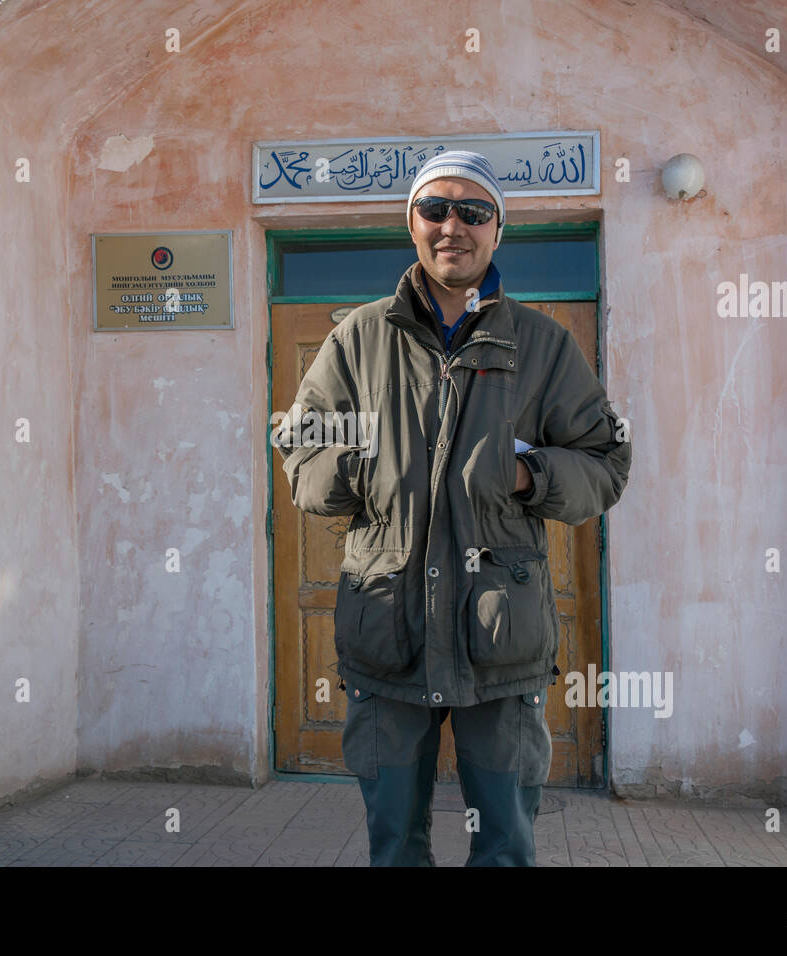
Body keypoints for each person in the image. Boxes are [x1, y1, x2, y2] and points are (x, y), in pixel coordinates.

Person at [275, 150, 632, 865]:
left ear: (498, 231)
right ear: (410, 223)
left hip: (499, 643)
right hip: (385, 635)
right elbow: (301, 455)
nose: (452, 226)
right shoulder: (356, 339)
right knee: (394, 844)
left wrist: (529, 475)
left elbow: (607, 460)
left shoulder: (544, 346)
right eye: (434, 208)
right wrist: (364, 468)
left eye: (473, 212)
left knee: (504, 846)